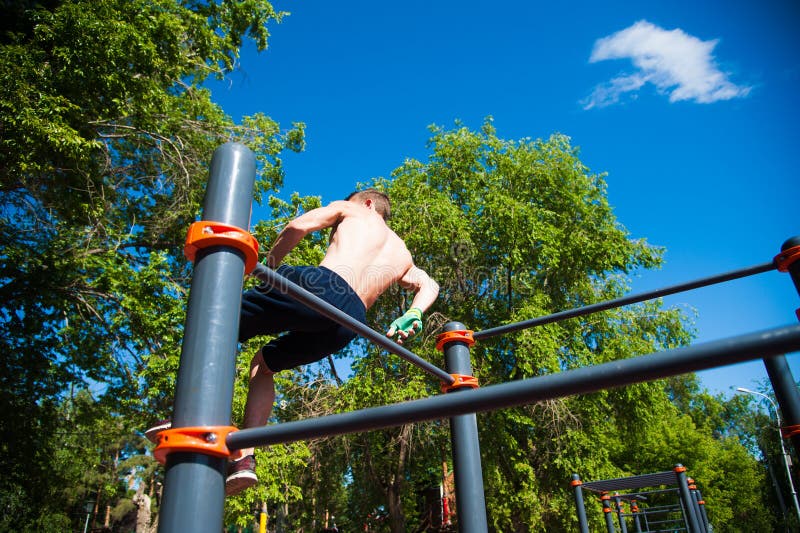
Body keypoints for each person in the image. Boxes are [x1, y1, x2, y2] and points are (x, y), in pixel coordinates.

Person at [148, 189, 440, 496]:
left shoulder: (353, 210)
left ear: (367, 203)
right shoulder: (403, 254)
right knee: (263, 365)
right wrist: (414, 312)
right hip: (351, 323)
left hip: (322, 286)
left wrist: (268, 272)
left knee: (216, 320)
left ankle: (188, 413)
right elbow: (429, 284)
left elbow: (297, 227)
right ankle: (245, 457)